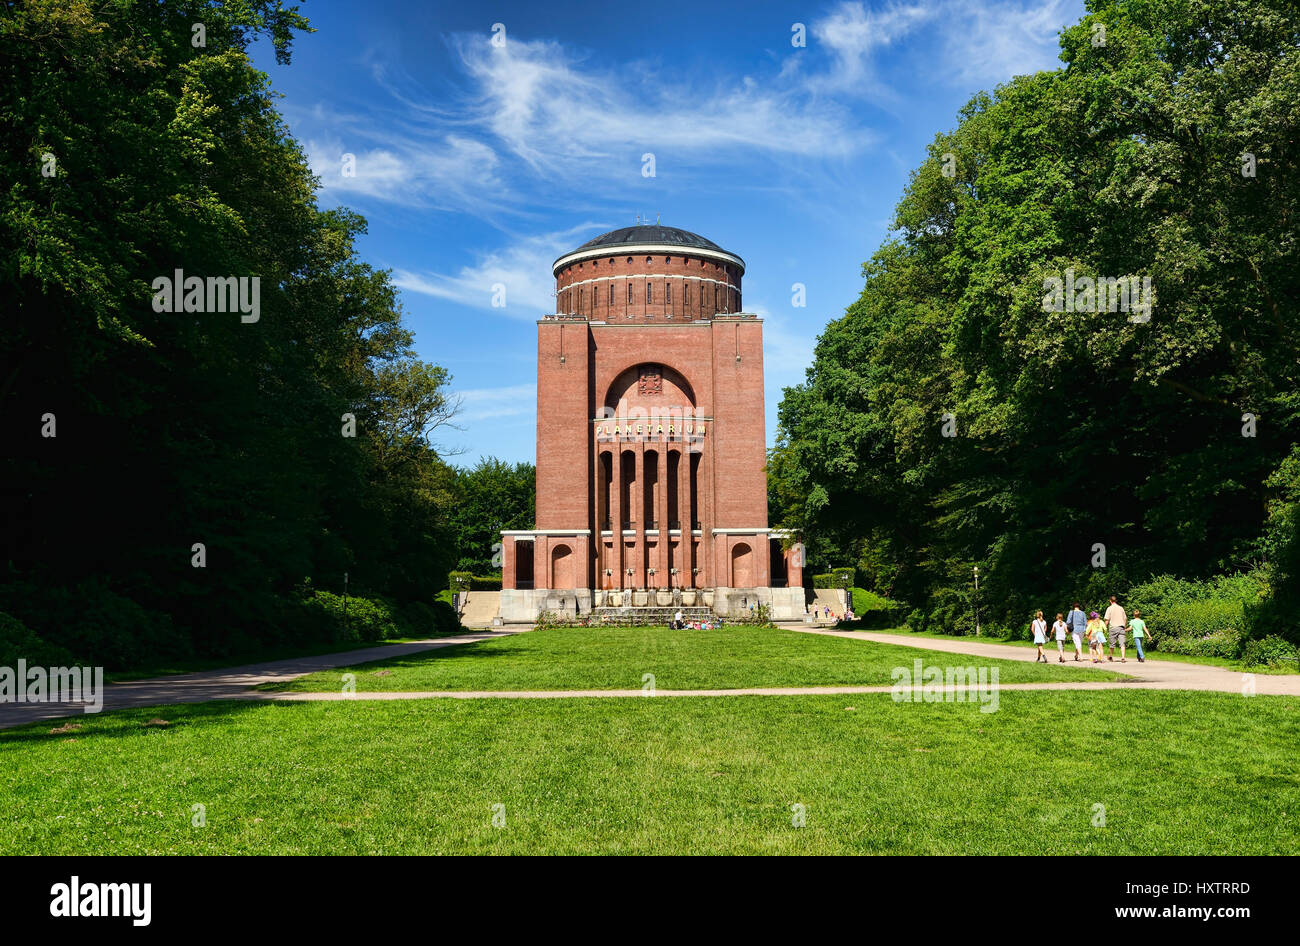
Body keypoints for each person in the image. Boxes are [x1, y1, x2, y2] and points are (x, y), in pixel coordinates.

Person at [1104, 595, 1128, 662]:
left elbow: (1107, 620)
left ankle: (1111, 656)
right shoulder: (1121, 608)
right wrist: (1124, 626)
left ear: (1110, 601)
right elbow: (1125, 619)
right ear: (1116, 601)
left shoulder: (1109, 608)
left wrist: (1104, 628)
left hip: (1113, 628)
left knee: (1112, 643)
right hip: (1121, 627)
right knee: (1122, 643)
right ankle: (1123, 657)